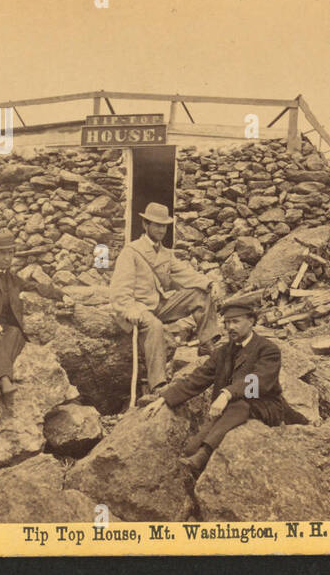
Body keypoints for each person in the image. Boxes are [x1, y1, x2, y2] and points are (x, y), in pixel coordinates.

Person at [145, 301, 290, 477]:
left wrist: (227, 393)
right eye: (227, 323)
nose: (230, 327)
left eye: (235, 322)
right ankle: (198, 456)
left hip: (264, 404)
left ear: (251, 321)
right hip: (229, 408)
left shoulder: (268, 349)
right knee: (191, 449)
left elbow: (258, 381)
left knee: (239, 406)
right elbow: (198, 378)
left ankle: (205, 454)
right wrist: (163, 398)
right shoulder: (223, 352)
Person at [110, 201, 222, 394]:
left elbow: (185, 274)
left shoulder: (165, 253)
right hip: (138, 308)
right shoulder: (131, 251)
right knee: (155, 326)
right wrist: (130, 309)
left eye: (164, 225)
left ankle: (207, 343)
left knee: (200, 294)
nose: (161, 229)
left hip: (160, 305)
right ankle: (158, 385)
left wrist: (209, 283)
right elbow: (120, 289)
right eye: (157, 225)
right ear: (146, 225)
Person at [0, 231, 69, 399]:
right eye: (3, 253)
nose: (8, 258)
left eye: (10, 253)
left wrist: (61, 295)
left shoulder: (11, 278)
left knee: (16, 333)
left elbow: (34, 287)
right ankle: (4, 380)